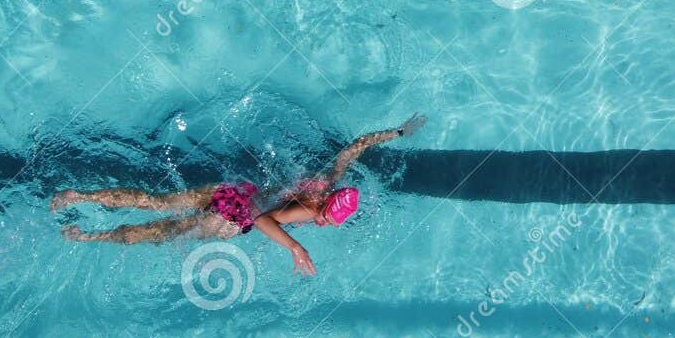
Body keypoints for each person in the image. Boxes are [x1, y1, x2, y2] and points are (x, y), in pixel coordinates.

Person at [50, 116, 426, 275]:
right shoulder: (309, 210)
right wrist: (295, 248)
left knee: (156, 201)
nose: (326, 224)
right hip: (231, 218)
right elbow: (262, 219)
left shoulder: (326, 181)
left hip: (231, 192)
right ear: (328, 211)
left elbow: (355, 147)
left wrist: (397, 133)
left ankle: (77, 195)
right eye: (328, 220)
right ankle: (87, 236)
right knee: (162, 232)